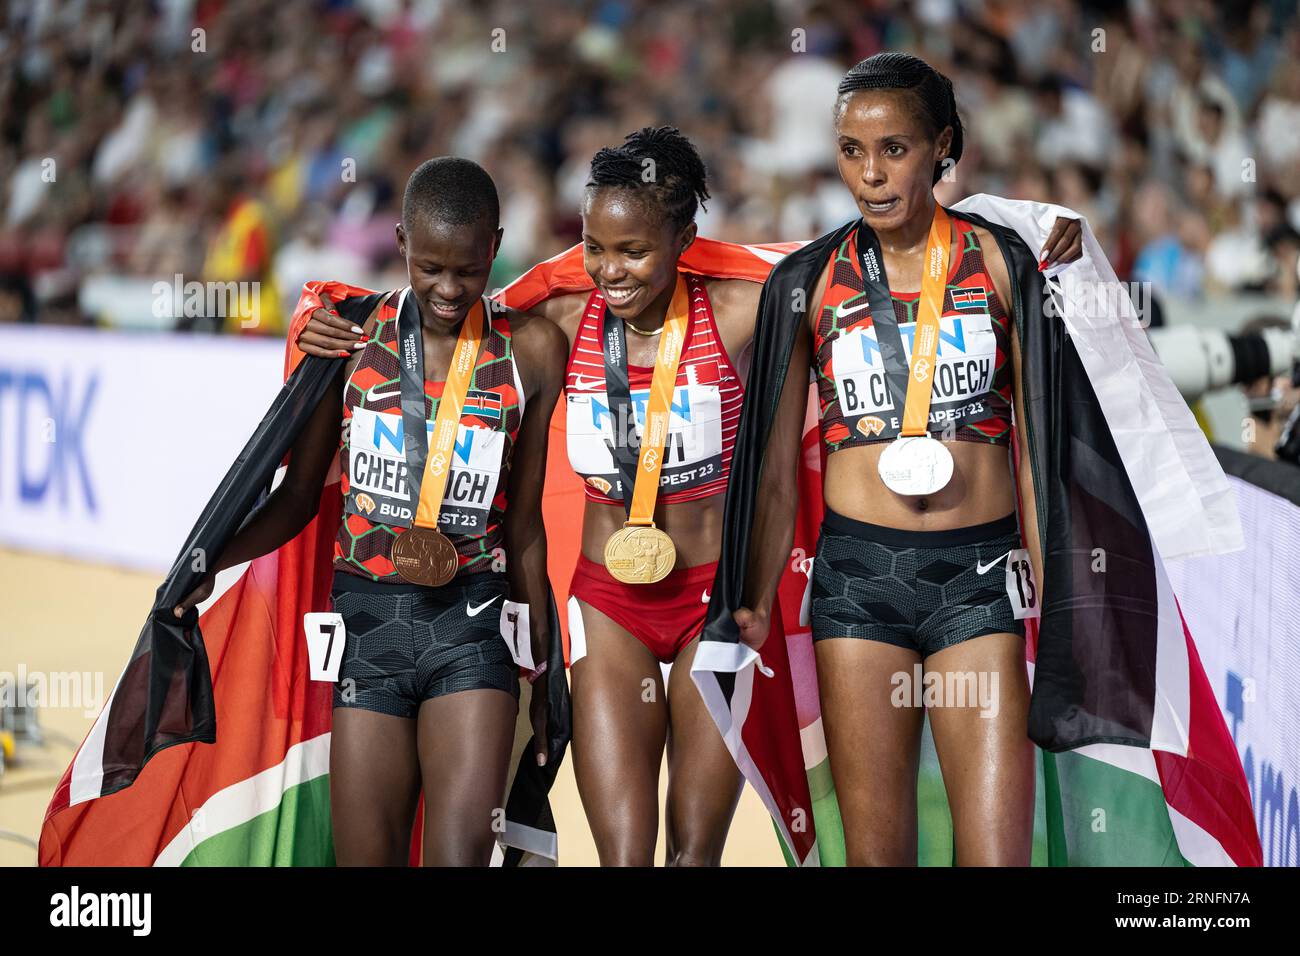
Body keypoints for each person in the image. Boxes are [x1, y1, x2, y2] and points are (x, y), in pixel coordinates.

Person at [293, 127, 1084, 866]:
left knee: (692, 855)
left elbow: (885, 249)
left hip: (716, 604)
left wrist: (1019, 225)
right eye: (595, 248)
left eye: (635, 251)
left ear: (683, 242)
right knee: (628, 857)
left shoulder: (747, 306)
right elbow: (444, 306)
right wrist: (338, 319)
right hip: (608, 607)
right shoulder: (561, 318)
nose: (611, 271)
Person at [720, 52, 1080, 866]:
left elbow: (1037, 450)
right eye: (851, 151)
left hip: (981, 580)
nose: (871, 175)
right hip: (857, 587)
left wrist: (1061, 604)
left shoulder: (998, 262)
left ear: (942, 146)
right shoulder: (806, 283)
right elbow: (774, 476)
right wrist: (742, 600)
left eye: (895, 150)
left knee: (998, 856)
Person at [173, 157, 567, 866]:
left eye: (470, 271)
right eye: (432, 268)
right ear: (402, 243)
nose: (450, 289)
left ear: (497, 246)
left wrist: (546, 675)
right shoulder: (350, 339)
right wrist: (210, 560)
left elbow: (526, 526)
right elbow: (296, 498)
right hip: (368, 631)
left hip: (471, 628)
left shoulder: (532, 350)